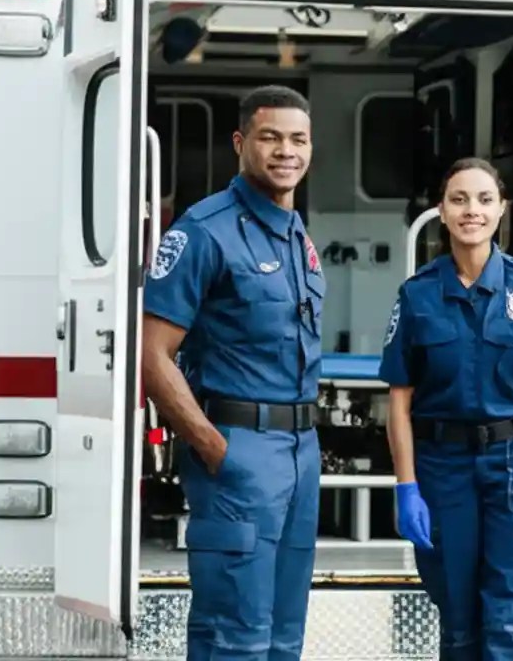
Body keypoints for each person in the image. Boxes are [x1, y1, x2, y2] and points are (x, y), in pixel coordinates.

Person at [142, 85, 324, 661]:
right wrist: (214, 446)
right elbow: (152, 354)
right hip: (241, 450)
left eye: (298, 139)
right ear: (241, 143)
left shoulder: (295, 233)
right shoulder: (206, 230)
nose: (285, 151)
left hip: (301, 453)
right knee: (235, 639)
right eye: (270, 137)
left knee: (283, 638)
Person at [378, 157, 513, 660]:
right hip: (443, 469)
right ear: (441, 213)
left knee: (512, 628)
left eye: (485, 200)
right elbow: (399, 403)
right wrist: (406, 487)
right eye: (459, 200)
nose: (472, 210)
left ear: (502, 211)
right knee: (459, 626)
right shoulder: (418, 295)